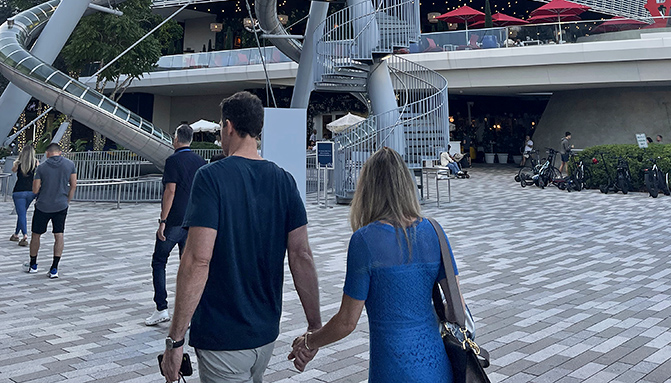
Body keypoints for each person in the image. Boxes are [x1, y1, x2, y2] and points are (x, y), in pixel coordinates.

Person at [161, 91, 321, 383]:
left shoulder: (211, 177)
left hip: (222, 335)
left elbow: (197, 260)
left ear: (229, 126)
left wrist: (175, 340)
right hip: (265, 333)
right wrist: (315, 327)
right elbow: (301, 255)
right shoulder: (284, 180)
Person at [289, 146, 465, 382]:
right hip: (437, 367)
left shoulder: (365, 241)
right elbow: (457, 307)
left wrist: (310, 341)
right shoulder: (434, 231)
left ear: (367, 189)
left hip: (392, 370)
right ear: (406, 185)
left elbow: (347, 322)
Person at [145, 123, 206, 326]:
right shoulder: (200, 161)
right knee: (188, 265)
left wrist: (163, 220)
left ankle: (161, 307)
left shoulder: (172, 161)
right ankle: (189, 312)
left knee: (159, 261)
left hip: (174, 221)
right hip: (193, 220)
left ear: (176, 139)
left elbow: (170, 191)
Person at [24, 142, 77, 278]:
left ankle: (33, 264)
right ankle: (54, 268)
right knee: (59, 235)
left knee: (36, 234)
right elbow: (73, 185)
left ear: (47, 153)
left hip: (43, 205)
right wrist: (67, 201)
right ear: (60, 152)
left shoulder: (41, 168)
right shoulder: (70, 164)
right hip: (61, 205)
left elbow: (35, 190)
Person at [10, 143, 38, 246]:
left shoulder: (18, 163)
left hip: (19, 191)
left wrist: (19, 160)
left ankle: (25, 235)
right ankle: (16, 234)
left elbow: (13, 170)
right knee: (22, 213)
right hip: (31, 192)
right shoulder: (35, 162)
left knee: (21, 214)